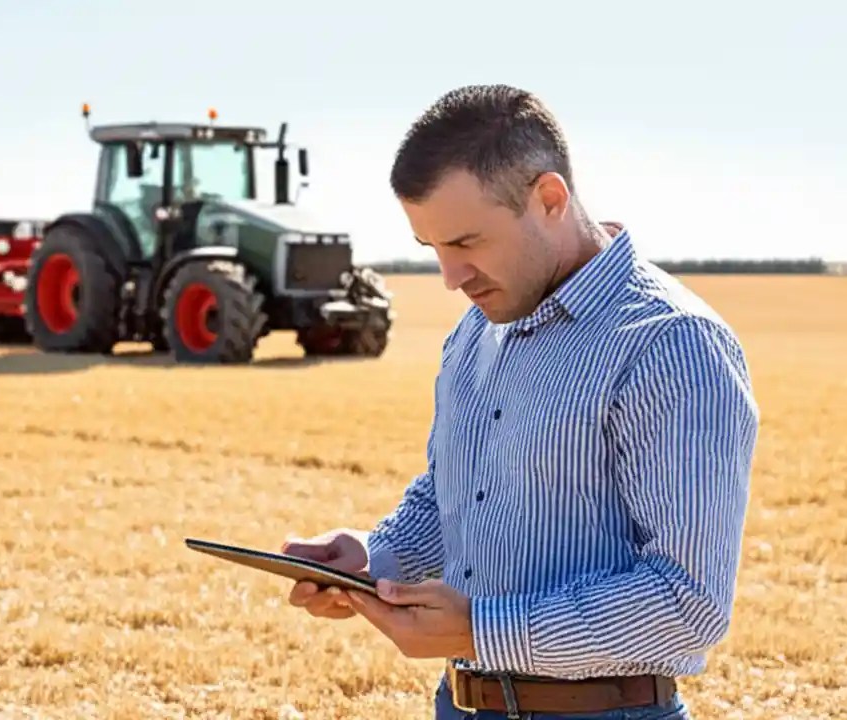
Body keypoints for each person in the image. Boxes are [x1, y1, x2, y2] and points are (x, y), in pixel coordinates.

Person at [281, 85, 760, 720]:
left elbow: (688, 604)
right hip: (458, 705)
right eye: (433, 249)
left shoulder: (670, 343)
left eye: (466, 243)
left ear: (550, 199)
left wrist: (480, 630)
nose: (450, 278)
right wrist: (373, 559)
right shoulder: (478, 328)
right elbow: (457, 495)